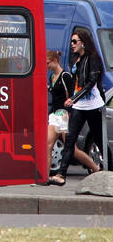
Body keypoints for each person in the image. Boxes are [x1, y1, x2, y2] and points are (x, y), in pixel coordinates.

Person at [51, 28, 106, 185]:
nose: (72, 44)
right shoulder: (76, 60)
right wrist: (72, 101)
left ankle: (109, 171)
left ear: (83, 43)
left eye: (75, 41)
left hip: (93, 105)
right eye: (71, 42)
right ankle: (61, 175)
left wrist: (73, 99)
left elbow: (90, 82)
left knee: (99, 139)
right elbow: (75, 83)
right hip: (80, 106)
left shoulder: (92, 58)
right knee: (70, 139)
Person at [45, 49, 98, 178]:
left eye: (48, 63)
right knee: (48, 145)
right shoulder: (51, 77)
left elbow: (71, 96)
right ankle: (45, 177)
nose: (47, 67)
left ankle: (95, 168)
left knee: (72, 149)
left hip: (64, 114)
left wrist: (69, 114)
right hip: (54, 114)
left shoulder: (66, 76)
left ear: (55, 61)